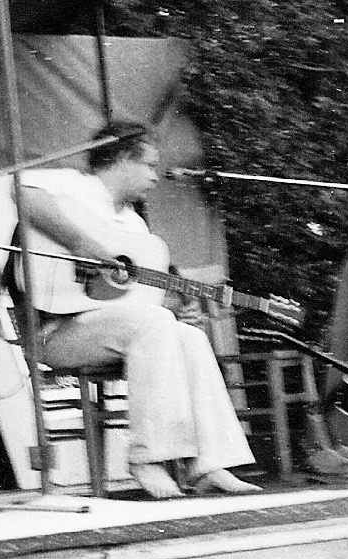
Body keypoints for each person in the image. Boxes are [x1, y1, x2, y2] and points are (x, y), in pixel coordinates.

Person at [19, 120, 261, 500]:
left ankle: (211, 463)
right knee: (155, 323)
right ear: (118, 158)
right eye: (148, 165)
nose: (154, 176)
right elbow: (26, 198)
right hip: (54, 332)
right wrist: (82, 243)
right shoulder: (73, 186)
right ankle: (148, 457)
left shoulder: (133, 224)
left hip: (109, 329)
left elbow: (131, 303)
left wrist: (175, 308)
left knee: (190, 336)